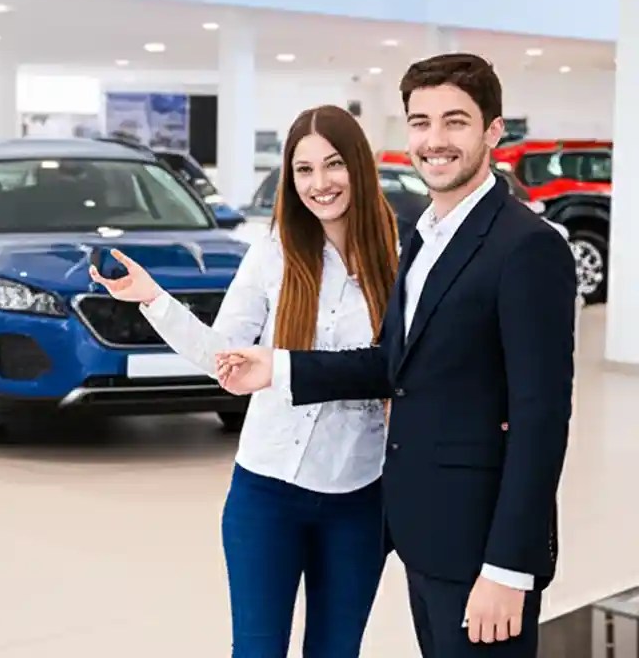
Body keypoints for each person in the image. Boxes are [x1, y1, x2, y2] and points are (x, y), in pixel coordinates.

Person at [214, 53, 578, 657]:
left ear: (493, 130)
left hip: (482, 554)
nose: (435, 140)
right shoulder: (425, 237)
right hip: (423, 539)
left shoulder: (528, 247)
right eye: (420, 122)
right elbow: (394, 366)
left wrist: (510, 568)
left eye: (455, 122)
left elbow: (541, 420)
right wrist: (278, 366)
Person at [91, 105, 400, 656]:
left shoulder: (396, 263)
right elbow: (223, 358)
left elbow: (401, 371)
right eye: (303, 170)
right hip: (268, 493)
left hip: (360, 498)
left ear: (358, 166)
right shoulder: (273, 255)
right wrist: (155, 302)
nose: (319, 184)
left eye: (332, 165)